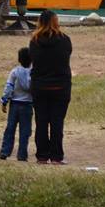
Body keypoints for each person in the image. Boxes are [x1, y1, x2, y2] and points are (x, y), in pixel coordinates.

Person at [29, 10, 72, 164]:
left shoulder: (34, 41)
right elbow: (67, 57)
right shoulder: (64, 40)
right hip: (60, 86)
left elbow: (33, 60)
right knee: (57, 122)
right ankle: (56, 156)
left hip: (40, 86)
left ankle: (42, 155)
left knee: (41, 121)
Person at [0, 47, 33, 161]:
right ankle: (22, 154)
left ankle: (4, 152)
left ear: (19, 59)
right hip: (28, 104)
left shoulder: (14, 72)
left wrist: (4, 101)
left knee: (10, 129)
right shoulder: (34, 72)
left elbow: (9, 88)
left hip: (15, 104)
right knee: (25, 131)